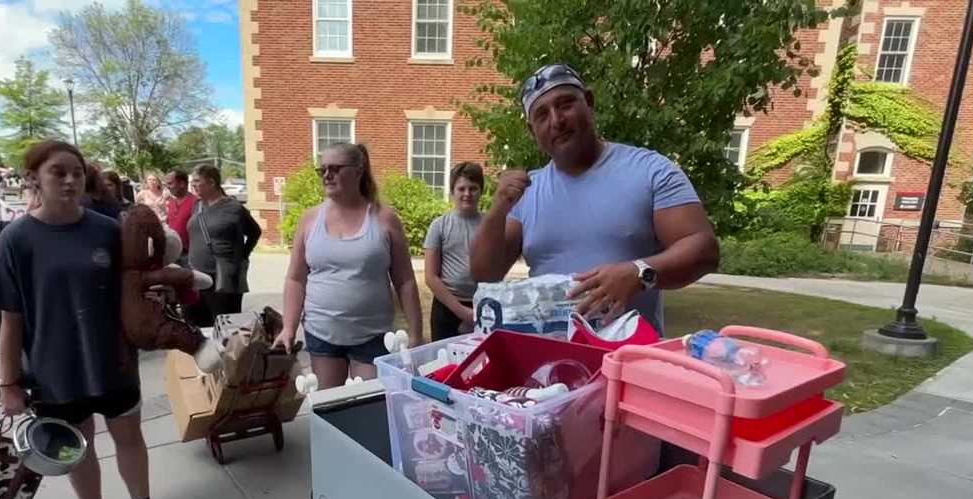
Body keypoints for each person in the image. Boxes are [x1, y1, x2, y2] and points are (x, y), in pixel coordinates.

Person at [0, 140, 179, 499]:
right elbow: (10, 321)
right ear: (34, 179)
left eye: (77, 172)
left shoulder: (108, 231)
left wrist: (157, 292)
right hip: (54, 369)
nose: (71, 180)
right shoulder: (14, 241)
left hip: (113, 359)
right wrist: (9, 384)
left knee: (129, 435)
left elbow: (135, 287)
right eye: (59, 172)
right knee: (77, 446)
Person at [469, 64, 719, 335]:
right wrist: (497, 209)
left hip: (628, 361)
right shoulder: (528, 190)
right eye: (542, 115)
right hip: (550, 360)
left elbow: (703, 248)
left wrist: (639, 273)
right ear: (532, 132)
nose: (556, 120)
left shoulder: (650, 170)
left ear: (588, 103)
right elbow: (485, 273)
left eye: (565, 104)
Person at [275, 143, 423, 389]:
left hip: (373, 334)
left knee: (365, 406)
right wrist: (288, 327)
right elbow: (296, 278)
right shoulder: (310, 219)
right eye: (321, 170)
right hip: (321, 332)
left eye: (335, 168)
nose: (326, 175)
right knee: (328, 407)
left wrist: (416, 334)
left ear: (358, 171)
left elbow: (405, 280)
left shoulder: (384, 219)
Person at [185, 164, 261, 326]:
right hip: (197, 276)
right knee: (196, 326)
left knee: (225, 327)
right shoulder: (196, 205)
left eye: (197, 181)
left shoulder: (234, 208)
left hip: (223, 278)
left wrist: (242, 257)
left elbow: (255, 232)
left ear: (211, 183)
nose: (193, 185)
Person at [424, 161, 485, 341]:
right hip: (446, 308)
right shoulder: (439, 226)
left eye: (473, 188)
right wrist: (462, 312)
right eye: (461, 189)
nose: (467, 194)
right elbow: (430, 277)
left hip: (481, 306)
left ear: (481, 191)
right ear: (452, 192)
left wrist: (474, 312)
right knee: (444, 365)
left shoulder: (491, 226)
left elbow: (496, 271)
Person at [164, 168, 196, 259]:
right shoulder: (171, 202)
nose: (167, 187)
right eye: (166, 184)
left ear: (182, 184)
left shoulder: (196, 203)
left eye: (170, 183)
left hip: (189, 254)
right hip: (173, 252)